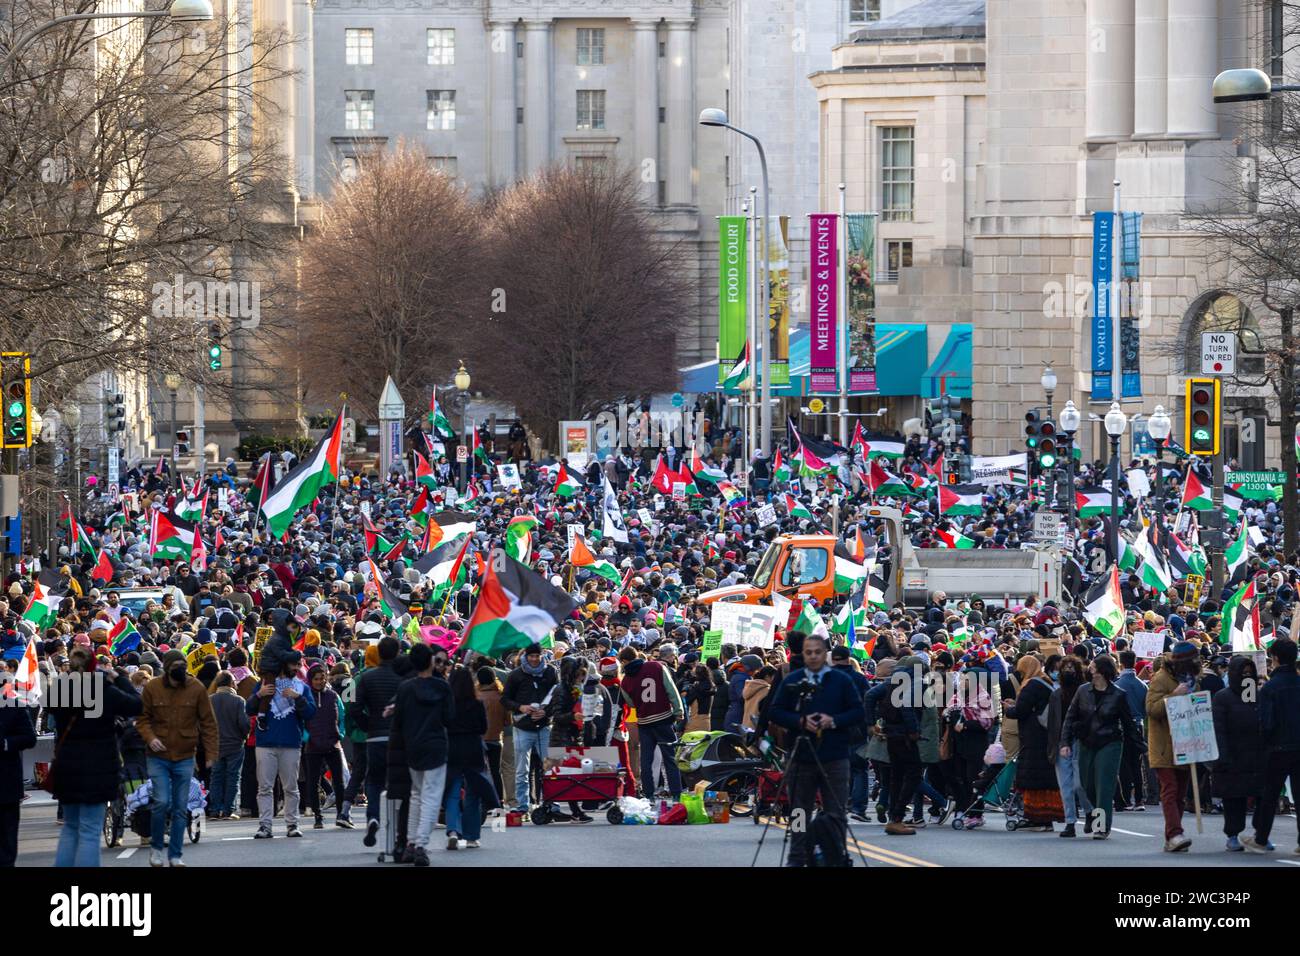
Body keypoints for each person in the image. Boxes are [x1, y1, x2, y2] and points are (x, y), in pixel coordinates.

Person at [767, 632, 865, 866]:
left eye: (817, 652)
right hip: (801, 754)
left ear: (825, 655)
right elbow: (775, 711)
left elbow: (858, 712)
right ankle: (797, 855)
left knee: (836, 811)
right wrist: (799, 721)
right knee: (799, 811)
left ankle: (837, 854)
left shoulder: (841, 680)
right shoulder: (793, 680)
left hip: (835, 755)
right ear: (803, 654)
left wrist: (834, 721)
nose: (812, 656)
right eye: (808, 652)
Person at [48, 648, 142, 867]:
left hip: (68, 765)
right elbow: (137, 704)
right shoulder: (106, 691)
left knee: (70, 827)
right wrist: (118, 678)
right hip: (99, 765)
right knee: (90, 830)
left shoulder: (60, 690)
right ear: (94, 666)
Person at [136, 648, 219, 866]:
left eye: (183, 666)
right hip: (158, 755)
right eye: (176, 667)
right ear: (166, 668)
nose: (180, 670)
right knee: (161, 802)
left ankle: (175, 855)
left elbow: (208, 722)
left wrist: (211, 752)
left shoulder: (196, 688)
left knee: (181, 807)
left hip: (185, 755)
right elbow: (142, 719)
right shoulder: (152, 687)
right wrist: (150, 737)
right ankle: (156, 848)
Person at [1060, 654, 1141, 840]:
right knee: (1086, 784)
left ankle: (1101, 827)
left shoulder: (1118, 694)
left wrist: (1139, 746)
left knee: (1103, 785)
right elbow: (1070, 717)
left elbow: (1128, 723)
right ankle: (1095, 815)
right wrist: (1065, 742)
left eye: (1094, 667)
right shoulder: (1083, 691)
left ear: (1103, 671)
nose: (1090, 669)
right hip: (1086, 741)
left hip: (1110, 743)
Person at [388, 643, 453, 866]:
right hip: (436, 746)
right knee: (431, 797)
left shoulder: (405, 688)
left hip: (412, 746)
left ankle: (411, 842)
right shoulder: (442, 687)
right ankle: (421, 845)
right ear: (430, 661)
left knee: (416, 795)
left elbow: (398, 721)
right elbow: (449, 718)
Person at [246, 651, 317, 839]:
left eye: (299, 664)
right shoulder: (264, 684)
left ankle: (292, 824)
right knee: (264, 788)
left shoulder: (302, 687)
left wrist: (298, 698)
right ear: (284, 665)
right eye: (294, 664)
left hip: (291, 743)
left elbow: (311, 713)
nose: (297, 668)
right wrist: (259, 695)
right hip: (265, 743)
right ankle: (265, 826)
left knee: (291, 787)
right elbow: (249, 708)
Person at [1244, 637, 1300, 854]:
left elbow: (1266, 722)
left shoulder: (1270, 687)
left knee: (1269, 794)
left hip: (1277, 748)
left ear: (1274, 658)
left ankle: (1261, 838)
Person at [1146, 641, 1202, 852]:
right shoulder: (1161, 678)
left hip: (1186, 743)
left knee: (1179, 794)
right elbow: (1151, 709)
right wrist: (1174, 696)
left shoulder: (1194, 679)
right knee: (1169, 790)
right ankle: (1175, 834)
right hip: (1164, 745)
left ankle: (1172, 836)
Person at [349, 635, 402, 846]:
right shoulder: (403, 678)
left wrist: (367, 725)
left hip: (374, 737)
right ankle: (398, 827)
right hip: (398, 737)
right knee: (398, 781)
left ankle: (373, 816)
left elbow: (354, 707)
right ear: (397, 653)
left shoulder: (366, 678)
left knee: (374, 779)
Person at [1211, 655, 1264, 852]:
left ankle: (1261, 834)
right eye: (1243, 673)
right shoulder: (1223, 697)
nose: (1247, 676)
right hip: (1233, 756)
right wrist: (1222, 757)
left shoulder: (1257, 695)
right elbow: (1219, 729)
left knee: (1263, 797)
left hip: (1256, 755)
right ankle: (1232, 835)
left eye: (1250, 673)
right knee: (1233, 800)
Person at [620, 643, 686, 800]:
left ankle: (649, 794)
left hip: (644, 723)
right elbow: (671, 690)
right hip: (664, 719)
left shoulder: (625, 680)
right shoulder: (656, 666)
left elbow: (631, 704)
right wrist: (679, 711)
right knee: (670, 758)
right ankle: (676, 794)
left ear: (624, 661)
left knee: (646, 761)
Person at [443, 665, 499, 849]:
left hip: (452, 749)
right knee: (473, 793)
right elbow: (483, 728)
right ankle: (471, 837)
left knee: (452, 793)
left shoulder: (447, 704)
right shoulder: (476, 704)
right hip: (473, 749)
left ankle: (453, 830)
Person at [1003, 655, 1061, 832]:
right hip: (1045, 736)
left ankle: (1036, 818)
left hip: (1033, 738)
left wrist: (1009, 709)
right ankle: (1046, 818)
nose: (1020, 674)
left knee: (1033, 778)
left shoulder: (1031, 685)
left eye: (1021, 671)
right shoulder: (1045, 682)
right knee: (1045, 779)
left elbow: (1021, 711)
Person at [500, 642, 558, 811]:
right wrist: (521, 707)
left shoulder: (550, 672)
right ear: (526, 656)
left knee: (550, 768)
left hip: (544, 726)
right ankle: (522, 805)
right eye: (531, 656)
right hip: (522, 727)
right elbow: (505, 699)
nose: (534, 659)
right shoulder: (516, 675)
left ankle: (551, 802)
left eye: (537, 656)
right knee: (521, 770)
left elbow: (557, 696)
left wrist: (546, 712)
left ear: (542, 656)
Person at [1048, 657, 1092, 837]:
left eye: (1071, 667)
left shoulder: (1086, 692)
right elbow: (1052, 723)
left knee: (1080, 784)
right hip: (1061, 743)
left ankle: (1089, 812)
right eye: (1065, 667)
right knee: (1065, 786)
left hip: (1081, 741)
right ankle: (1070, 822)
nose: (1068, 671)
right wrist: (1054, 746)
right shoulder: (1056, 695)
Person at [303, 662, 350, 829]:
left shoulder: (333, 696)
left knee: (339, 782)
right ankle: (318, 816)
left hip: (333, 743)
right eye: (316, 679)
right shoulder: (305, 697)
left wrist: (340, 734)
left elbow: (342, 716)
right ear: (311, 680)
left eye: (322, 678)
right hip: (313, 746)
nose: (320, 681)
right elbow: (300, 720)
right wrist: (307, 737)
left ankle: (341, 814)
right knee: (313, 782)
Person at [0, 694, 36, 867]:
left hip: (6, 785)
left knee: (7, 842)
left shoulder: (13, 706)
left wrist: (5, 743)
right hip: (8, 784)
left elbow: (29, 738)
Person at [208, 671, 248, 820]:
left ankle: (214, 810)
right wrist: (244, 736)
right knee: (233, 777)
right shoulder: (238, 701)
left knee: (216, 777)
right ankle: (228, 810)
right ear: (231, 683)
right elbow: (243, 724)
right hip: (235, 744)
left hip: (215, 745)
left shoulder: (209, 700)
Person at [1113, 650, 1149, 811]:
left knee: (1124, 764)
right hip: (1139, 724)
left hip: (1123, 726)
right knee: (1137, 763)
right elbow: (1145, 709)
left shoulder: (1117, 684)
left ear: (1121, 664)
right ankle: (1139, 799)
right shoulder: (1142, 685)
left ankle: (1126, 798)